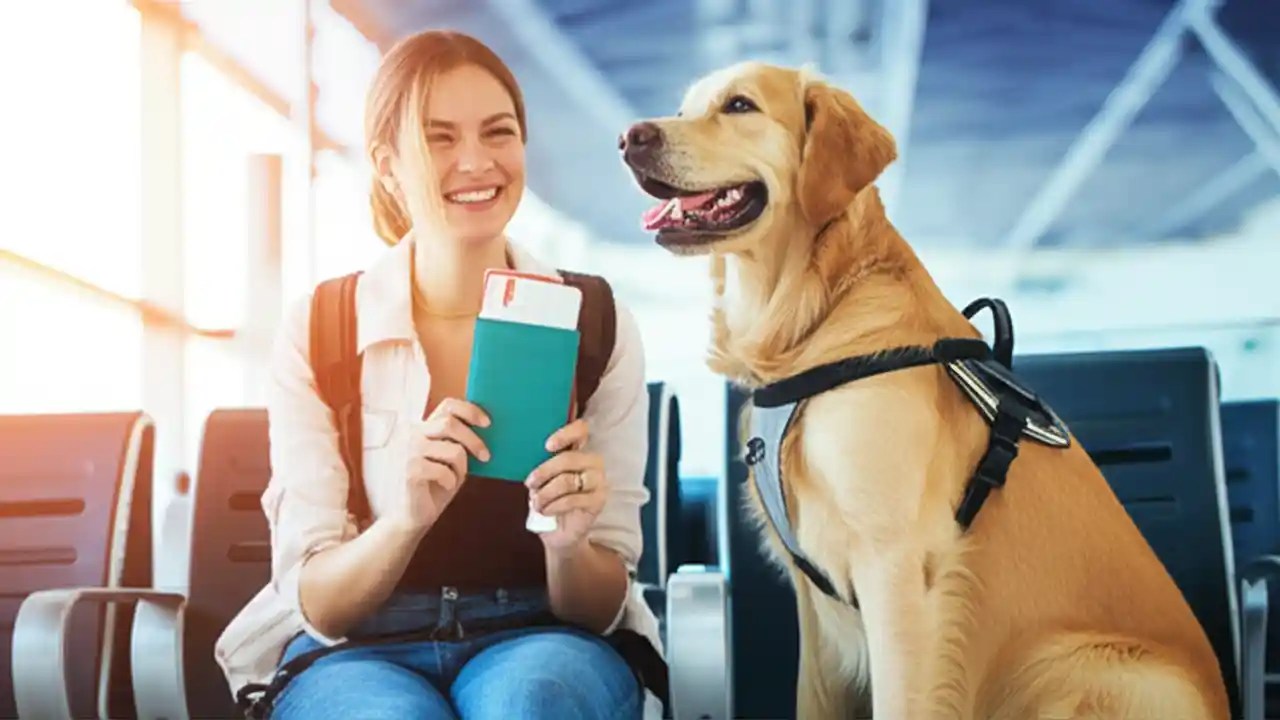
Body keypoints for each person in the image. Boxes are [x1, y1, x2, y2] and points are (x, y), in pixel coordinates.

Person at [214, 29, 660, 720]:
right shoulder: (323, 327)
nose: (476, 162)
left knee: (532, 703)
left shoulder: (595, 324)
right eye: (440, 138)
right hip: (357, 650)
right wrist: (402, 520)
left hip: (542, 634)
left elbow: (599, 610)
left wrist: (571, 545)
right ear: (388, 165)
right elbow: (322, 607)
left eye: (498, 132)